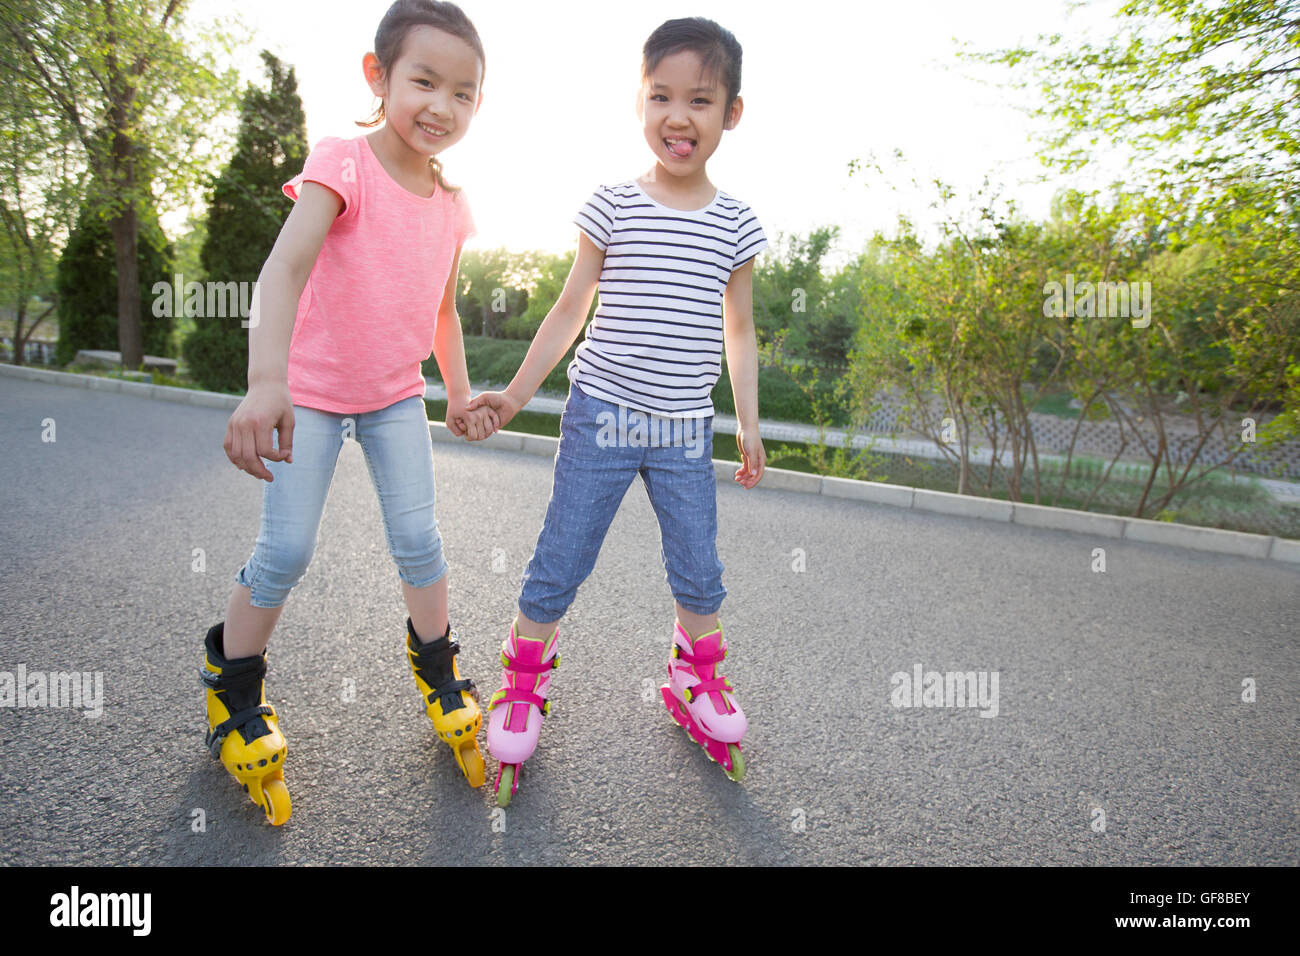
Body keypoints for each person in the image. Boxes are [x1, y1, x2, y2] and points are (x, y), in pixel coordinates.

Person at [200, 0, 498, 825]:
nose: (442, 105)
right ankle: (233, 685)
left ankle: (438, 666)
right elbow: (283, 269)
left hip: (396, 395)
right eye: (424, 81)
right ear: (380, 76)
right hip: (313, 397)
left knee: (420, 540)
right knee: (286, 548)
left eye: (464, 93)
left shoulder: (451, 204)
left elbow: (441, 311)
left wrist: (460, 392)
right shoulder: (344, 162)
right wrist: (267, 382)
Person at [468, 16, 767, 806]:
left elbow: (739, 330)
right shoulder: (611, 205)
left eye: (700, 100)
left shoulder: (736, 225)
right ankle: (522, 685)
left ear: (731, 113)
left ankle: (693, 677)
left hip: (683, 427)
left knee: (698, 566)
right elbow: (570, 310)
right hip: (601, 414)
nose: (680, 116)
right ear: (639, 102)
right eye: (661, 96)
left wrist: (749, 424)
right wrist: (516, 396)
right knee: (561, 556)